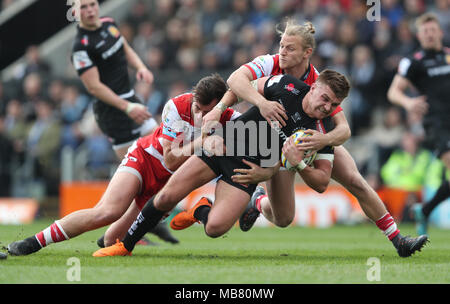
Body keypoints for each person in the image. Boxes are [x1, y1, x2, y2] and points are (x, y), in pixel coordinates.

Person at [204, 18, 427, 257]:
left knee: (354, 179)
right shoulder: (270, 63)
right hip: (270, 141)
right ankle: (258, 202)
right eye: (282, 45)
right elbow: (236, 83)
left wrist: (322, 140)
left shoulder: (319, 84)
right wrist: (220, 110)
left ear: (306, 53)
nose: (282, 52)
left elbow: (344, 130)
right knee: (283, 217)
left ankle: (398, 239)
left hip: (306, 139)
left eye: (290, 48)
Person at [92, 69, 350, 257]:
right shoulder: (287, 86)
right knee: (166, 197)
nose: (327, 107)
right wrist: (225, 109)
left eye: (334, 104)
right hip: (225, 143)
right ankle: (125, 245)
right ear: (314, 87)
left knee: (214, 228)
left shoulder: (322, 131)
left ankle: (200, 211)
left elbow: (322, 183)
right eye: (325, 98)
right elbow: (239, 85)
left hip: (248, 171)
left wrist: (296, 166)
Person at [7, 74, 237, 255]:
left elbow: (255, 140)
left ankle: (193, 211)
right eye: (198, 108)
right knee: (108, 211)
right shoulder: (177, 105)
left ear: (220, 108)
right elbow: (170, 159)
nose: (200, 116)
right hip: (146, 160)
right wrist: (203, 141)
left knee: (110, 240)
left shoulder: (230, 119)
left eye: (207, 112)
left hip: (168, 186)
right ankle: (33, 242)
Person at [70, 0, 173, 244]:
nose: (90, 10)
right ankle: (125, 231)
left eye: (93, 4)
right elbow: (94, 87)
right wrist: (127, 107)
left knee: (165, 149)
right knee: (135, 175)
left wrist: (140, 66)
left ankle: (148, 218)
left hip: (131, 101)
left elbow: (123, 46)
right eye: (83, 7)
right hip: (114, 112)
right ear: (75, 12)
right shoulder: (81, 47)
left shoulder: (109, 24)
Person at [387, 12, 450, 235]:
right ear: (419, 36)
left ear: (440, 32)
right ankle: (426, 209)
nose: (430, 34)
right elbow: (393, 92)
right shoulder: (414, 62)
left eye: (433, 30)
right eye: (425, 31)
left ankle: (425, 209)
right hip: (437, 124)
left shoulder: (449, 56)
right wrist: (408, 102)